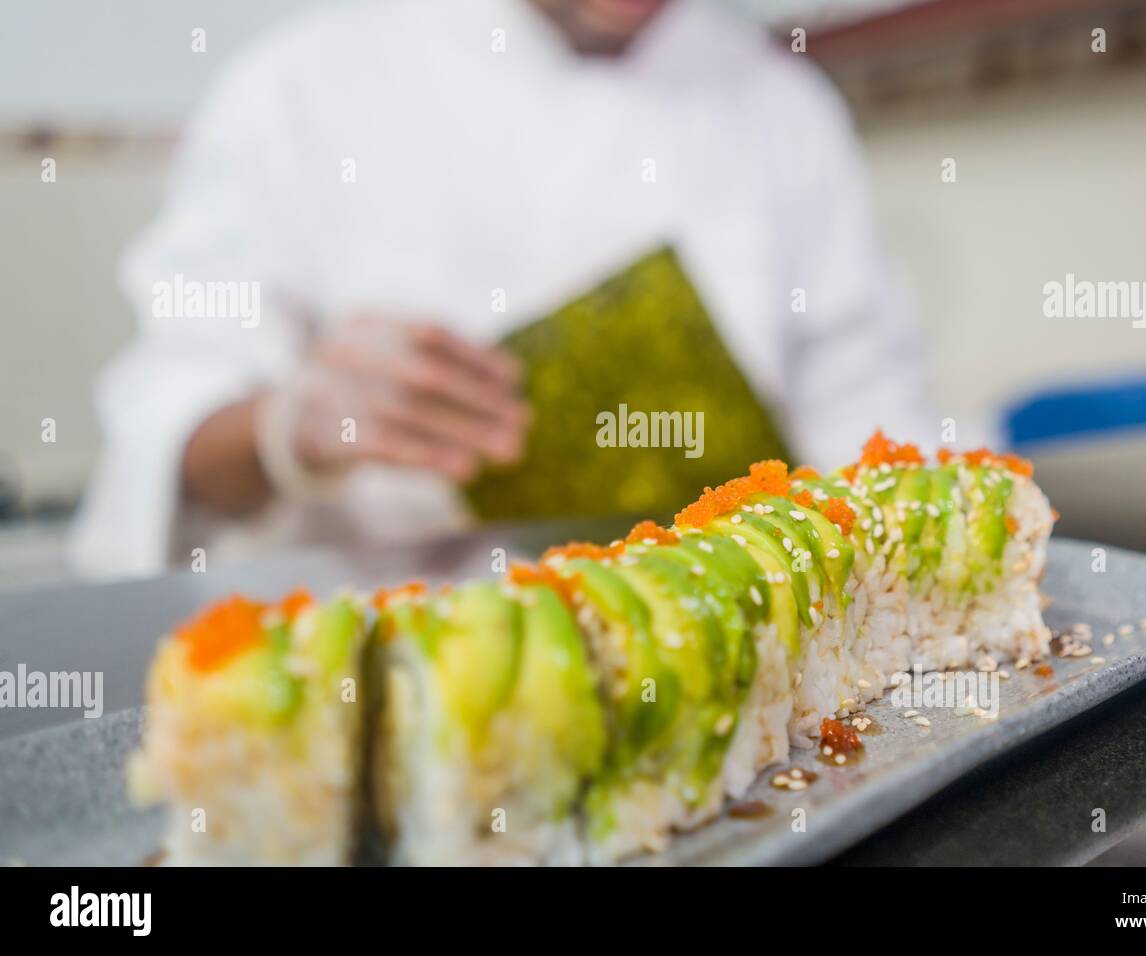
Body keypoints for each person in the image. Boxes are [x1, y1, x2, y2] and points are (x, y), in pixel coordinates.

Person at [70, 0, 930, 578]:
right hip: (380, 668)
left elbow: (873, 432)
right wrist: (288, 426)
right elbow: (165, 438)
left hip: (723, 652)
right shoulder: (300, 85)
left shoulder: (784, 107)